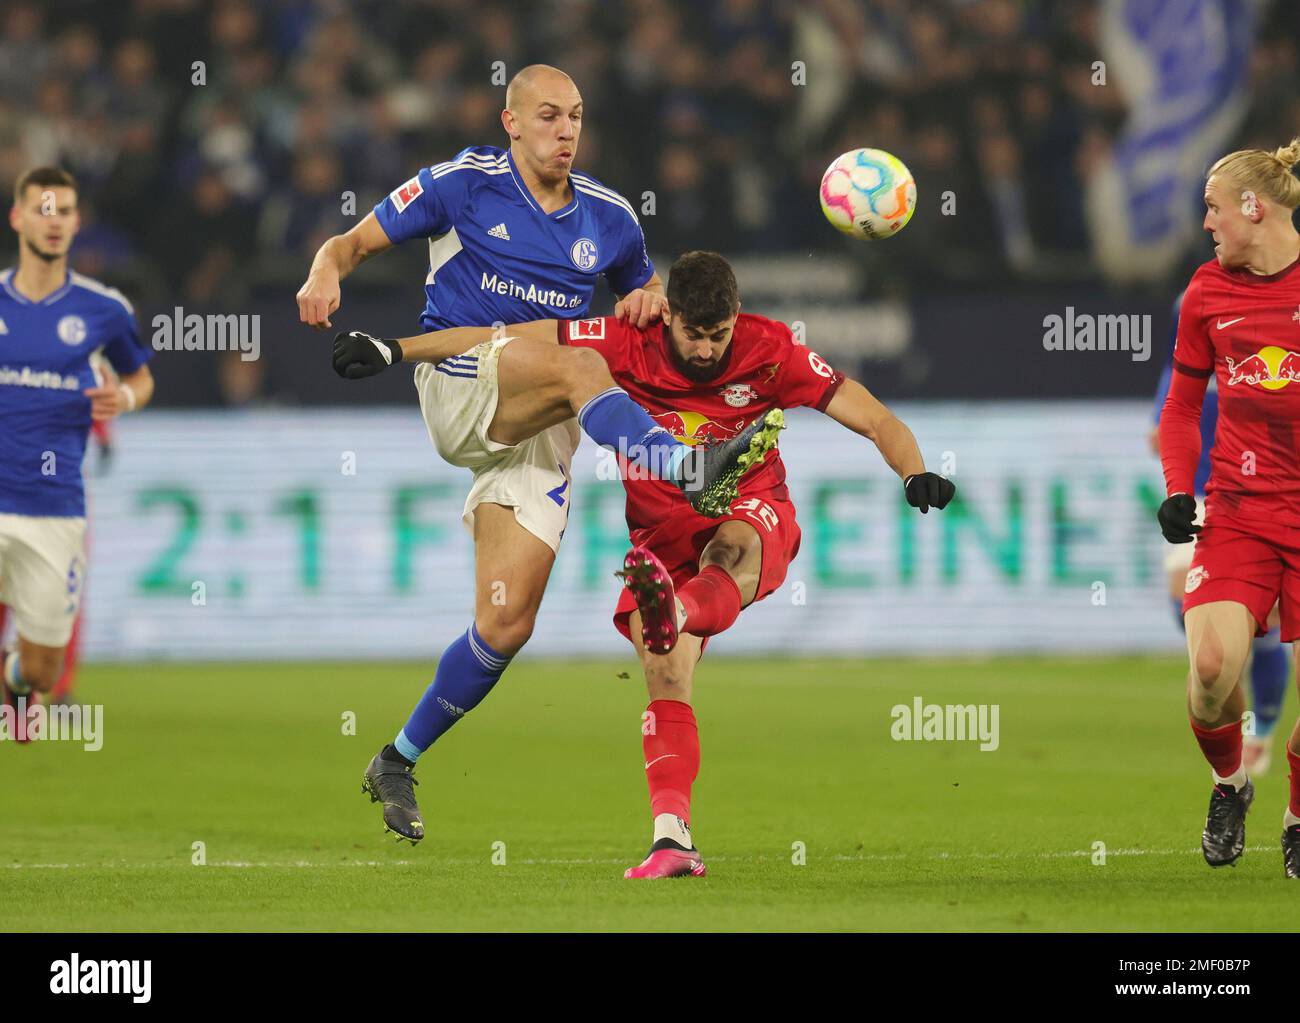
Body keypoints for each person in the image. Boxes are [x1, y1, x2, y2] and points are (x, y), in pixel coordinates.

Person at [334, 250, 955, 876]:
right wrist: (396, 350)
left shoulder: (772, 350)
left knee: (730, 552)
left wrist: (915, 471)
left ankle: (677, 611)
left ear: (737, 317)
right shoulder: (624, 340)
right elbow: (499, 340)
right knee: (667, 675)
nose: (708, 350)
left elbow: (873, 417)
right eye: (695, 334)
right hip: (661, 538)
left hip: (749, 508)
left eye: (719, 335)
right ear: (669, 315)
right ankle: (672, 840)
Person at [298, 64, 752, 843]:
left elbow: (642, 302)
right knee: (582, 364)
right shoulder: (460, 184)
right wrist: (322, 271)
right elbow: (352, 242)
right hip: (460, 381)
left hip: (539, 424)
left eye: (575, 116)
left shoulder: (611, 217)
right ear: (510, 122)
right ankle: (682, 466)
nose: (565, 130)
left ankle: (397, 758)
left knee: (506, 624)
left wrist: (647, 298)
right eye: (547, 116)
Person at [1157, 138, 1300, 877]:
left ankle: (1298, 817)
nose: (1206, 222)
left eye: (1213, 208)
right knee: (1211, 674)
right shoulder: (1207, 292)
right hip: (1240, 511)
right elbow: (1182, 406)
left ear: (1255, 207)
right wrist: (1179, 487)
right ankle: (1231, 784)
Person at [0, 166, 154, 734]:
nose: (54, 221)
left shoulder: (104, 310)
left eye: (64, 211)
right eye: (43, 210)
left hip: (53, 509)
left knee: (41, 670)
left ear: (76, 221)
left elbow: (140, 378)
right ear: (18, 218)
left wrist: (124, 399)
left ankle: (15, 678)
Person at [1149, 293, 1288, 773]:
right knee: (1184, 606)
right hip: (1197, 497)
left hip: (1256, 497)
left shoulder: (1263, 359)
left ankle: (1260, 732)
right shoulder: (1181, 369)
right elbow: (1161, 428)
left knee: (1266, 622)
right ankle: (1230, 686)